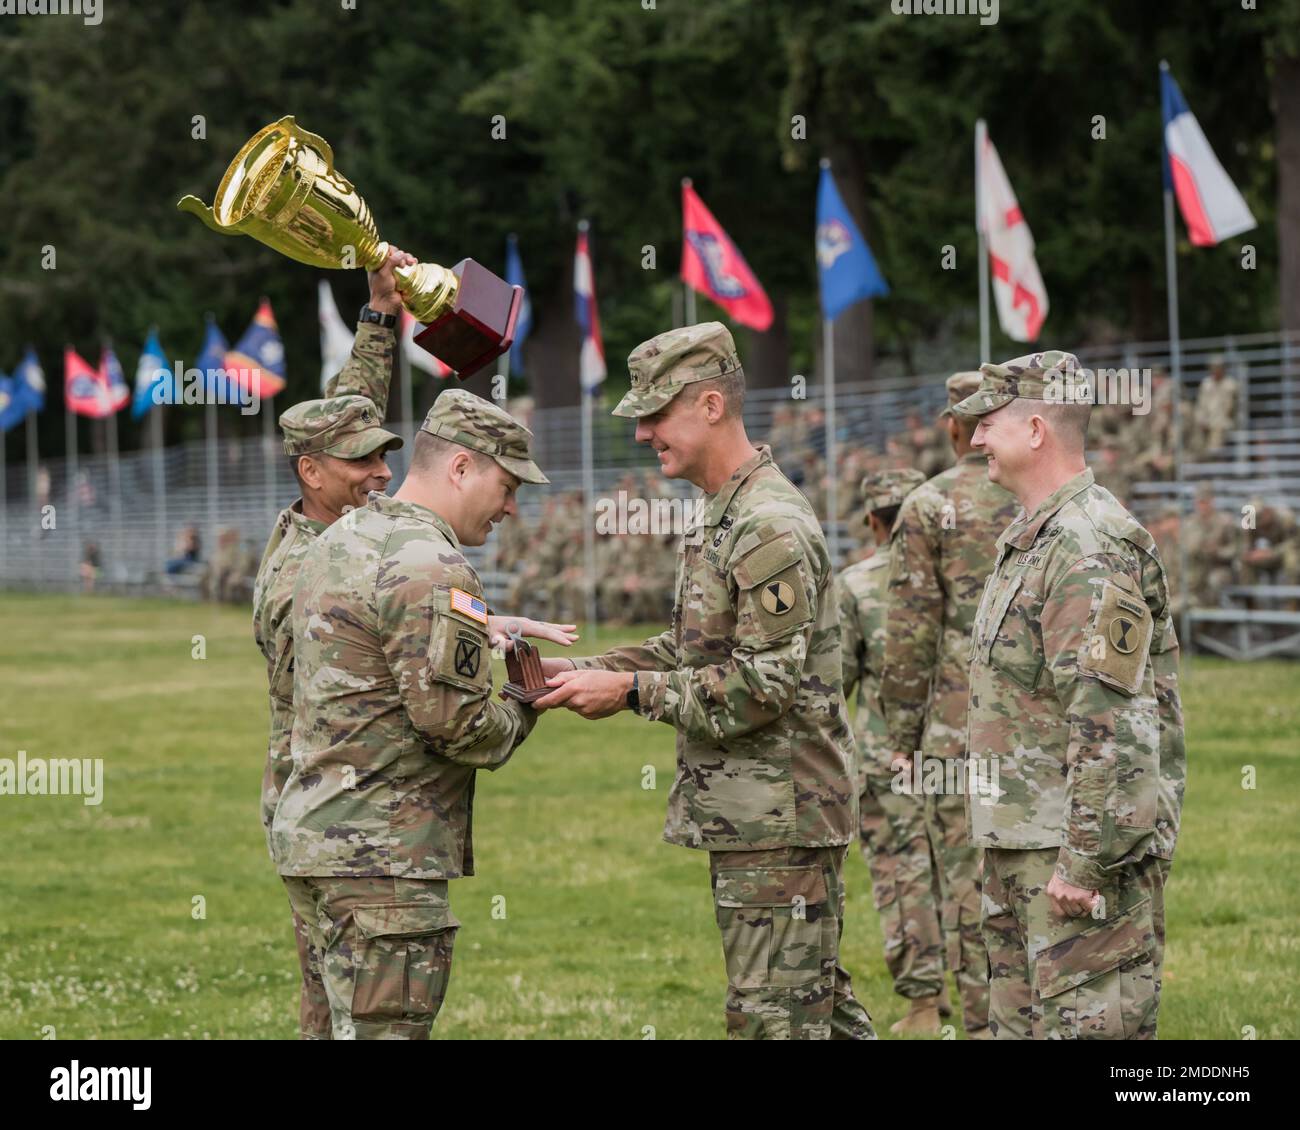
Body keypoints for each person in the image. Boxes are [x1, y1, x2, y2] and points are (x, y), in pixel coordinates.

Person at [535, 321, 874, 1041]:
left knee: (774, 1022)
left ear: (711, 404)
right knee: (814, 1011)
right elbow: (692, 648)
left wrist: (629, 694)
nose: (643, 435)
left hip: (781, 818)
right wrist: (585, 671)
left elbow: (761, 687)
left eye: (656, 415)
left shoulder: (766, 524)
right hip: (759, 816)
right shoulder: (726, 514)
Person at [271, 388, 557, 1040]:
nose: (513, 506)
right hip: (383, 860)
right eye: (507, 485)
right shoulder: (433, 564)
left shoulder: (339, 538)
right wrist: (525, 701)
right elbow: (456, 725)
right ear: (461, 467)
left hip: (317, 842)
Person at [956, 350, 1184, 1040]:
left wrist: (1084, 862)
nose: (972, 439)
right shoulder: (1033, 540)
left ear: (1034, 431)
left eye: (986, 423)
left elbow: (1110, 722)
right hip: (1024, 847)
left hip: (1074, 863)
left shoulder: (1087, 546)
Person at [879, 370, 1019, 1040]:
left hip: (957, 732)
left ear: (953, 425)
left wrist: (900, 738)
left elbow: (909, 638)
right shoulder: (1041, 497)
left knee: (968, 890)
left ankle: (985, 1028)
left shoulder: (930, 506)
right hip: (1050, 729)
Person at [838, 467, 949, 1034]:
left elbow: (838, 681)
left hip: (886, 759)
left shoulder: (857, 584)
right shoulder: (958, 573)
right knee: (961, 868)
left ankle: (925, 1004)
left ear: (871, 522)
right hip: (958, 751)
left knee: (901, 877)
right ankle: (977, 992)